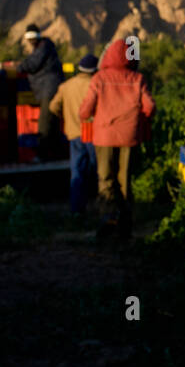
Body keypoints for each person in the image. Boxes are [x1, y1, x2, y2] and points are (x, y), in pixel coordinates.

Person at [79, 38, 154, 238]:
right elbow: (150, 107)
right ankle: (125, 223)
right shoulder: (138, 79)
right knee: (124, 180)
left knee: (105, 179)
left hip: (104, 137)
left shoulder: (99, 78)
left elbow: (85, 111)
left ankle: (107, 219)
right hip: (129, 137)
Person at [50, 53, 99, 216]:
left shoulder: (66, 86)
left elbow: (53, 107)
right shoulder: (96, 85)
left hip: (73, 133)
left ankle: (77, 209)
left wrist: (66, 117)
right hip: (93, 133)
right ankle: (102, 207)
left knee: (77, 171)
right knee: (98, 171)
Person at [18, 23, 65, 161]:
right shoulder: (45, 47)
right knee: (53, 123)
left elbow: (32, 64)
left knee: (45, 124)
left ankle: (42, 155)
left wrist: (19, 66)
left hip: (49, 90)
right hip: (50, 89)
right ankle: (56, 154)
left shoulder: (43, 47)